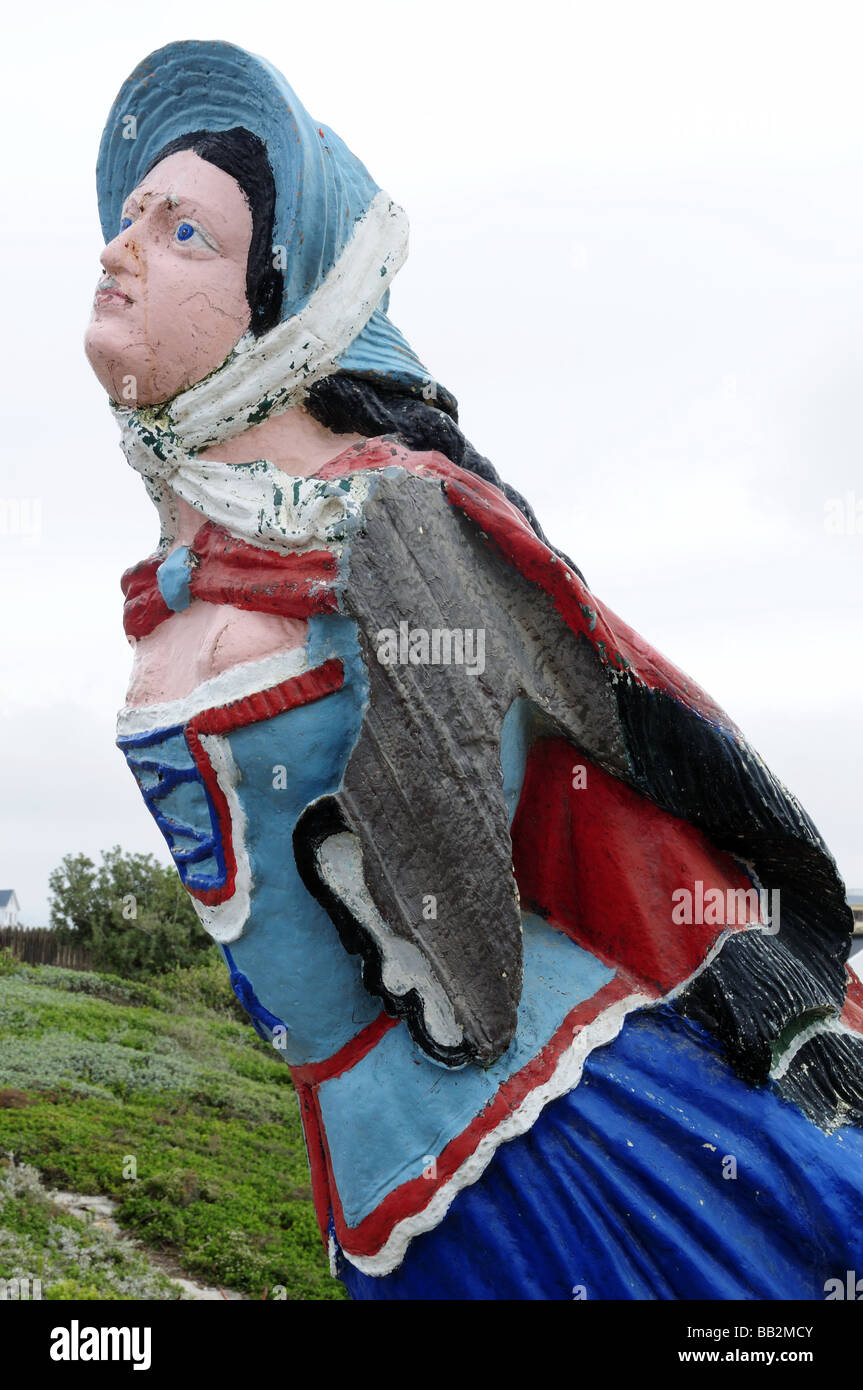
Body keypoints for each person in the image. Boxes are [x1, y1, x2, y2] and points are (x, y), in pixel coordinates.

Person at [86, 41, 863, 1299]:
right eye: (128, 222)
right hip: (369, 1139)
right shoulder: (204, 559)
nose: (120, 250)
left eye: (181, 233)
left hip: (538, 1120)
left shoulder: (386, 518)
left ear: (290, 309)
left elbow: (467, 946)